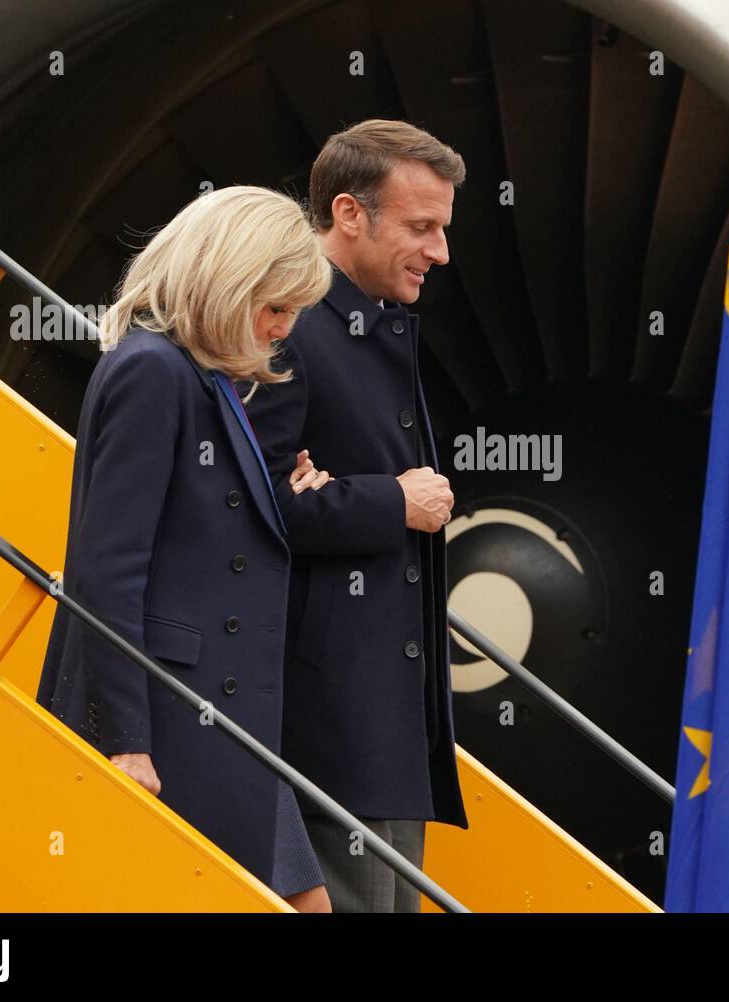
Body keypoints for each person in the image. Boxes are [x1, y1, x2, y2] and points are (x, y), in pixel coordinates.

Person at [36, 185, 335, 912]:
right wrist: (126, 741)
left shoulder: (200, 375)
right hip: (170, 720)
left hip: (219, 714)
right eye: (275, 307)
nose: (281, 330)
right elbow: (107, 572)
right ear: (224, 282)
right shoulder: (153, 371)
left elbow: (204, 525)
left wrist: (280, 501)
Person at [243, 119, 468, 912]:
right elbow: (250, 502)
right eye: (421, 227)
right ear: (348, 214)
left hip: (388, 721)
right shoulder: (292, 324)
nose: (438, 251)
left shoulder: (370, 318)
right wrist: (391, 501)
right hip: (332, 723)